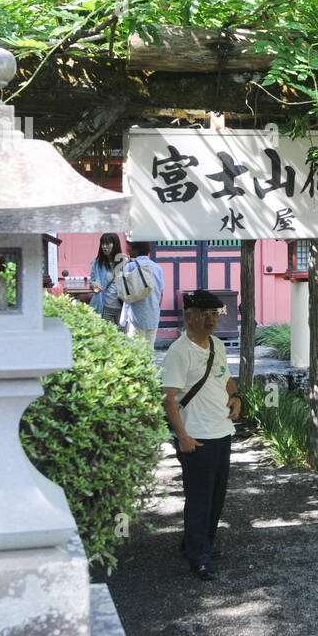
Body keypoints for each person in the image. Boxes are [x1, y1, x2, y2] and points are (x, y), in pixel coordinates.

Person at [162, 290, 243, 580]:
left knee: (217, 496)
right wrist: (181, 436)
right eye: (205, 314)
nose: (211, 319)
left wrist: (236, 397)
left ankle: (198, 544)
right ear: (189, 316)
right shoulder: (179, 352)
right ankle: (199, 557)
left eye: (214, 314)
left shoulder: (217, 345)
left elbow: (226, 378)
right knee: (199, 498)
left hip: (221, 431)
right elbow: (168, 398)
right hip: (196, 436)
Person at [118, 241, 164, 345]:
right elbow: (161, 293)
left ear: (136, 250)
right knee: (149, 351)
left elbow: (122, 292)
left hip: (136, 317)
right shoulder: (157, 268)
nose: (128, 249)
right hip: (153, 317)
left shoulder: (130, 267)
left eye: (129, 247)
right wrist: (155, 310)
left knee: (135, 352)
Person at [88, 232, 127, 324]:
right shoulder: (97, 263)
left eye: (107, 243)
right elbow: (91, 283)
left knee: (122, 335)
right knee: (104, 335)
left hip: (122, 307)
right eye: (102, 243)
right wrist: (93, 285)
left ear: (115, 244)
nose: (104, 246)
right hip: (104, 306)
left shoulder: (125, 262)